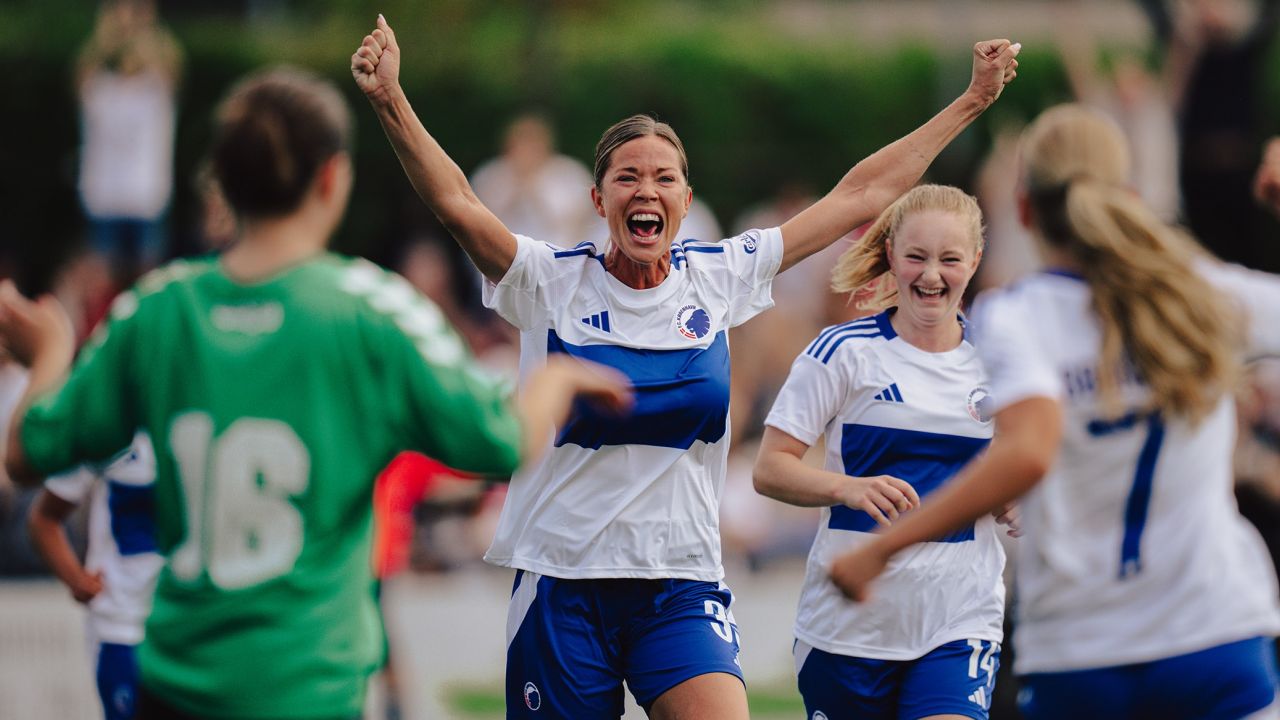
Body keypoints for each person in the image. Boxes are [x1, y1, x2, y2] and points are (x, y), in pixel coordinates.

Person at [352, 15, 1019, 719]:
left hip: (680, 583)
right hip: (563, 582)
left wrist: (972, 100)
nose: (646, 190)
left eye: (663, 178)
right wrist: (391, 99)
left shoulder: (718, 276)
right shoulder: (549, 280)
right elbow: (458, 201)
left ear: (685, 201)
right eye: (627, 178)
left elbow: (858, 195)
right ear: (598, 200)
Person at [0, 67, 630, 720]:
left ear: (224, 179)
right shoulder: (371, 312)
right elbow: (501, 443)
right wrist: (557, 376)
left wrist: (48, 352)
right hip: (307, 688)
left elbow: (27, 452)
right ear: (333, 178)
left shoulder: (155, 312)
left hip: (175, 684)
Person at [830, 104, 1280, 720]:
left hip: (1080, 655)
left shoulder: (1018, 316)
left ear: (1022, 209)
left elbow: (1029, 450)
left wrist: (881, 550)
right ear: (1128, 197)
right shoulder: (1205, 294)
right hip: (1216, 638)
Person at [754, 185, 1012, 720]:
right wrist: (849, 487)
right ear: (891, 255)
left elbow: (1027, 459)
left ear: (976, 261)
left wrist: (1014, 497)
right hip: (848, 630)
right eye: (916, 257)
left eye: (949, 259)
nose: (931, 275)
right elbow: (770, 469)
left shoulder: (1002, 360)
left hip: (958, 622)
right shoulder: (843, 353)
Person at [27, 432, 159, 720]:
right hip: (124, 626)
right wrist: (75, 578)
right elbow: (44, 516)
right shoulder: (116, 425)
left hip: (198, 626)